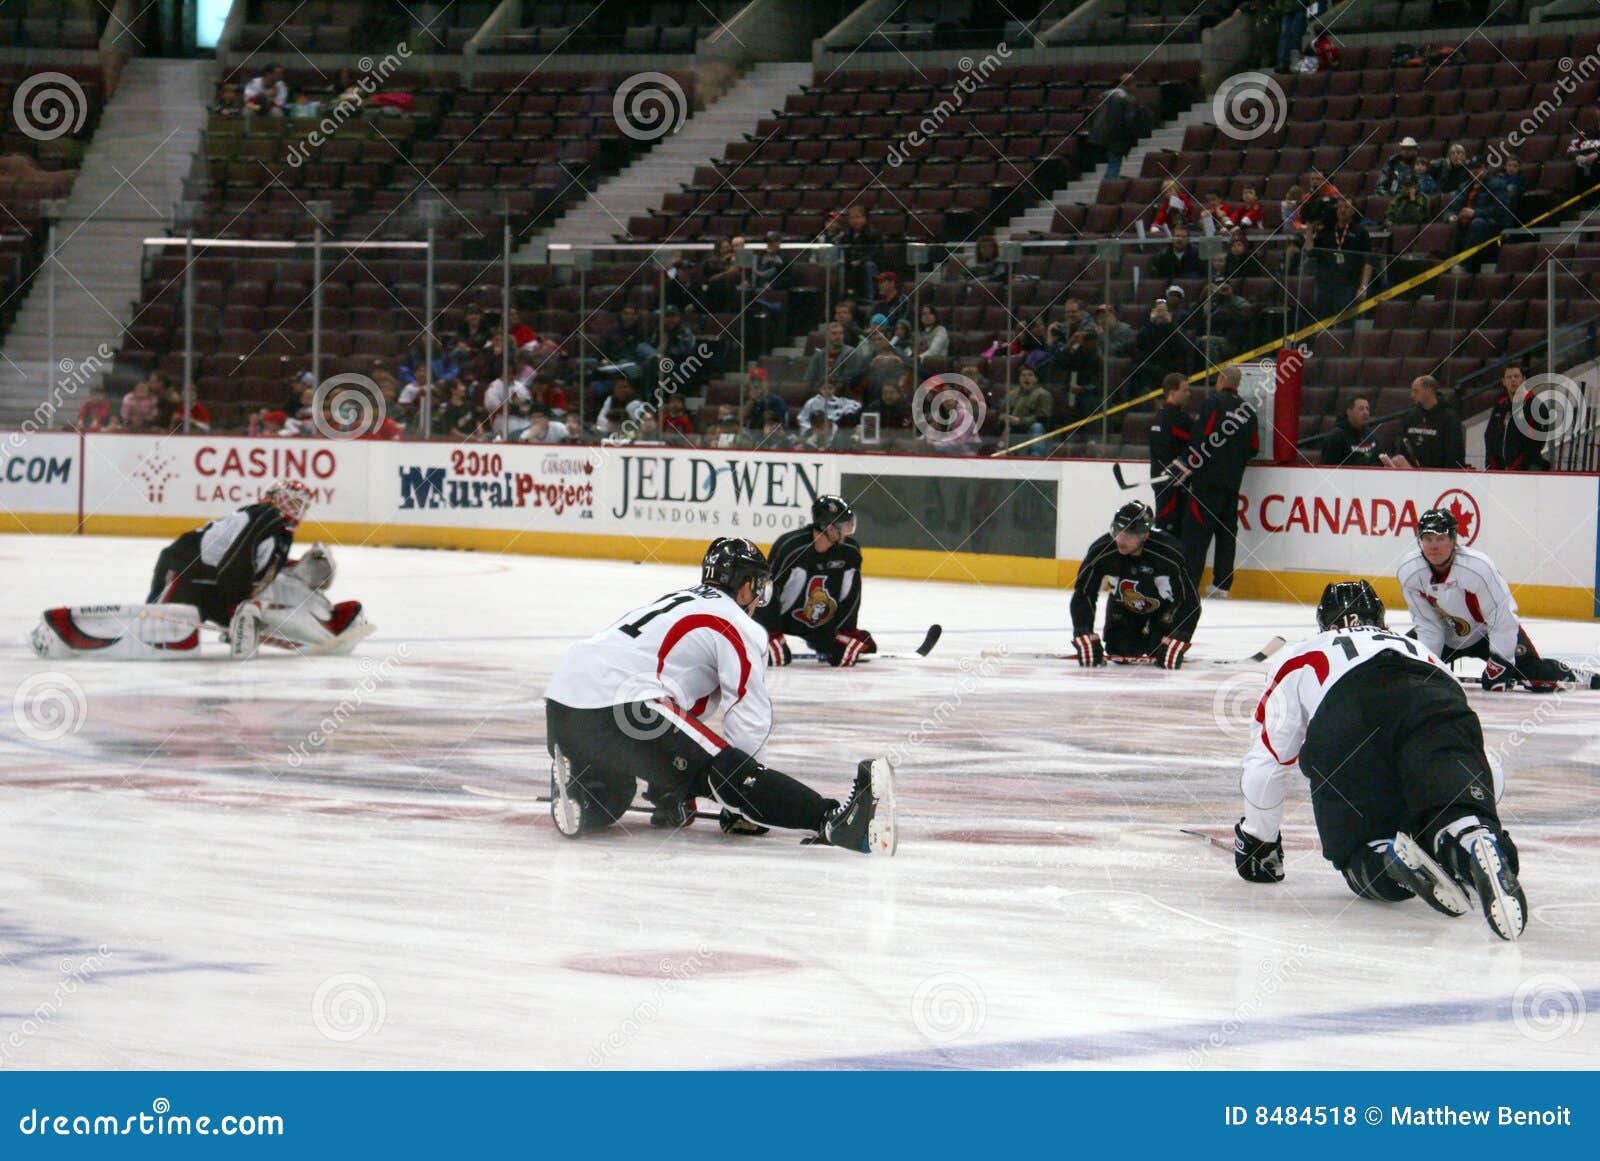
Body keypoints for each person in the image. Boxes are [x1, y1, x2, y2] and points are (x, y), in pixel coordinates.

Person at [541, 537, 895, 853]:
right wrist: (742, 806)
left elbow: (670, 717)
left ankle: (581, 794)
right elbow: (747, 719)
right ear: (743, 586)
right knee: (723, 770)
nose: (759, 597)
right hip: (626, 704)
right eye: (757, 585)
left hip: (562, 704)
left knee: (614, 793)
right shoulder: (737, 623)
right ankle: (835, 821)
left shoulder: (679, 599)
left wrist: (671, 786)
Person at [1233, 580, 1528, 941]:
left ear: (1324, 622)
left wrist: (1258, 842)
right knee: (1454, 804)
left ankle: (1389, 860)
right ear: (1381, 618)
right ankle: (1468, 835)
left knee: (1358, 853)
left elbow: (1269, 760)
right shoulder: (1420, 650)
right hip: (1436, 700)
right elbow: (1483, 767)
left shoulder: (1302, 653)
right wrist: (1472, 805)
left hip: (1350, 713)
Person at [1398, 508, 1584, 692]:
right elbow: (1427, 625)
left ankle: (1577, 675)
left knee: (1534, 674)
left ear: (1453, 540)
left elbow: (1501, 616)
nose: (1433, 546)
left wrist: (1500, 662)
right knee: (1398, 666)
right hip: (1447, 636)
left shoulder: (1477, 568)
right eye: (1428, 539)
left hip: (1486, 634)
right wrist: (1428, 665)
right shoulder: (1410, 572)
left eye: (1440, 539)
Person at [1069, 502, 1200, 670]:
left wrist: (1180, 637)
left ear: (1145, 535)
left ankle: (1155, 634)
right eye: (1117, 530)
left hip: (1164, 609)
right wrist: (1083, 631)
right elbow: (1084, 593)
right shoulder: (1101, 550)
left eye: (1129, 534)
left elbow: (1189, 601)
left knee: (1158, 651)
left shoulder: (1170, 553)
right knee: (1119, 649)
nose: (1121, 539)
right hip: (1124, 606)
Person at [757, 496, 876, 669]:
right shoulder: (791, 547)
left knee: (841, 656)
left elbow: (852, 595)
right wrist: (770, 631)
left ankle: (822, 641)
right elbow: (766, 590)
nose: (847, 531)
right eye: (843, 527)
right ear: (829, 529)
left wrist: (845, 632)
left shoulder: (850, 552)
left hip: (819, 621)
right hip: (780, 620)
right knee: (778, 658)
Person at [1180, 365, 1257, 597]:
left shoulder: (1213, 404)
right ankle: (1222, 585)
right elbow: (1253, 447)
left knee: (1197, 533)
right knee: (1226, 533)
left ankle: (1190, 582)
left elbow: (1200, 438)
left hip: (1206, 481)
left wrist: (1187, 465)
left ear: (1222, 379)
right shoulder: (1248, 412)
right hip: (1232, 483)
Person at [1147, 373, 1194, 535]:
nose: (1189, 394)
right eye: (1185, 390)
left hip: (1160, 484)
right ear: (1173, 393)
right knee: (1173, 535)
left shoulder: (1157, 418)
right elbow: (1198, 445)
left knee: (1162, 529)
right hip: (1174, 488)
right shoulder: (1179, 420)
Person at [1483, 364, 1548, 471]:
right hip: (1501, 470)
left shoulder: (1535, 406)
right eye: (1509, 377)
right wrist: (1492, 467)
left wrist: (1515, 468)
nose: (1513, 380)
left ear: (1523, 380)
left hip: (1527, 469)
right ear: (1503, 382)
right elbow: (1489, 436)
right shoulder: (1500, 406)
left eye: (1516, 376)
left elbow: (1535, 444)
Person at [1396, 375, 1464, 468]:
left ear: (1429, 390)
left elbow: (1454, 453)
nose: (1412, 395)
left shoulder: (1449, 418)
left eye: (1416, 391)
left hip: (1439, 475)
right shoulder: (1410, 417)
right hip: (1412, 474)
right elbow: (1402, 445)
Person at [1086, 73, 1142, 181]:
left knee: (1112, 162)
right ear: (1131, 84)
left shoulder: (1104, 94)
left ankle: (1107, 183)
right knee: (1114, 164)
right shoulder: (1129, 98)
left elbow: (1093, 114)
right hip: (1117, 137)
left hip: (1099, 135)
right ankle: (1109, 187)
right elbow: (1129, 121)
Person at [1320, 395, 1380, 465]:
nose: (1365, 413)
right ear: (1349, 412)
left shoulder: (1372, 436)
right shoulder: (1336, 436)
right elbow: (1328, 467)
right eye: (1361, 409)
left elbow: (1380, 461)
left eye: (1367, 409)